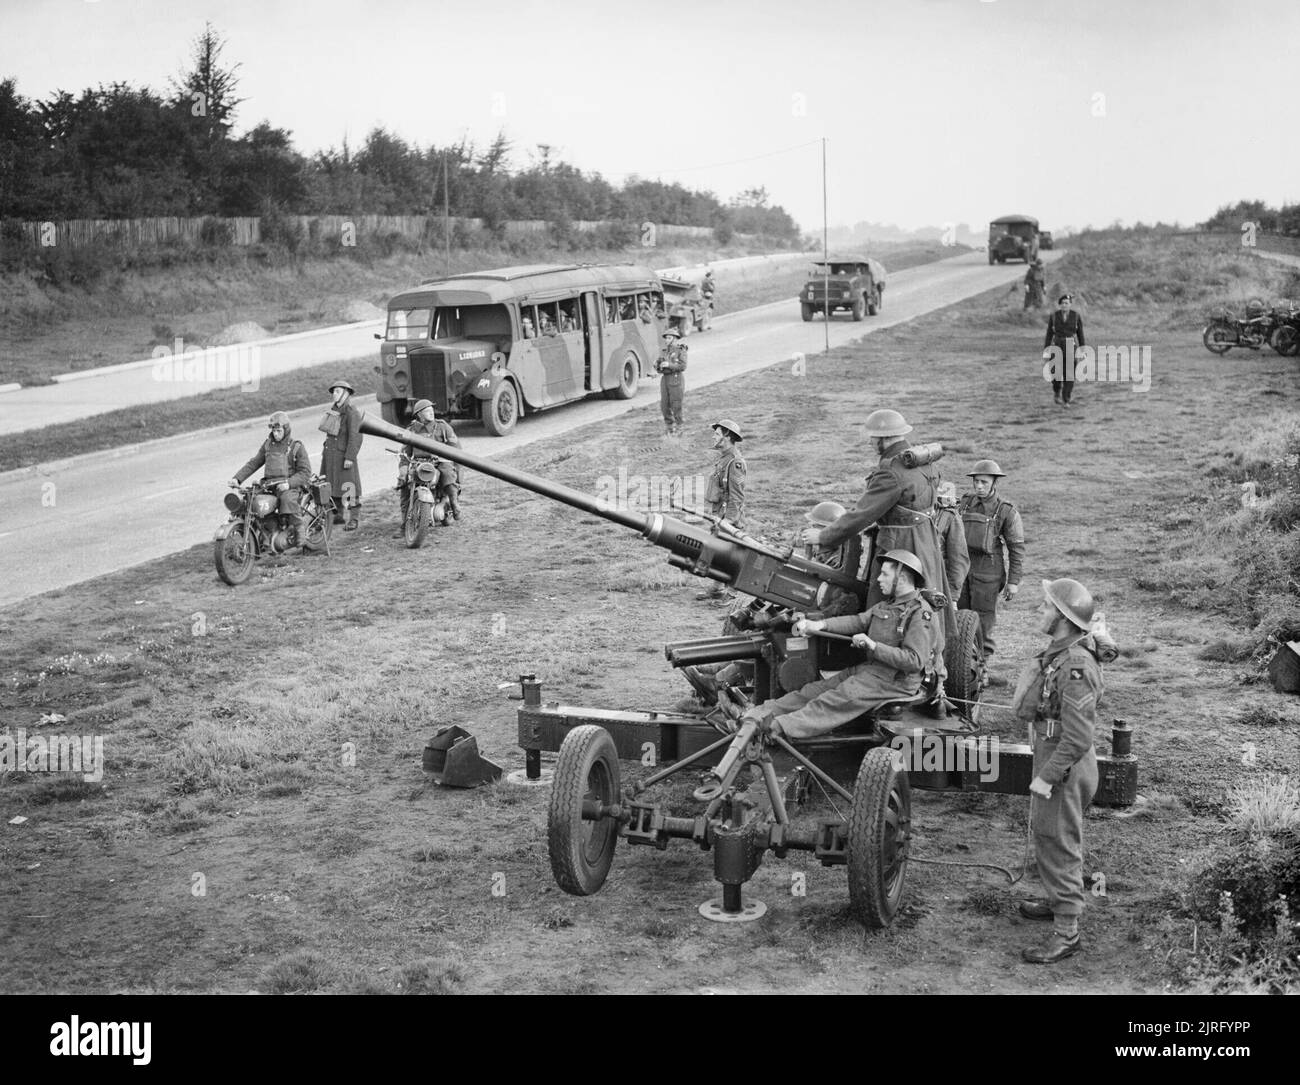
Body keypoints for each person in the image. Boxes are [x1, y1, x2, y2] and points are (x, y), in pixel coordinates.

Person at [738, 550, 936, 739]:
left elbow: (915, 661)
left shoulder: (920, 614)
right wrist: (819, 624)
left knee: (831, 701)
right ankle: (757, 714)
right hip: (871, 671)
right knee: (812, 692)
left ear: (901, 578)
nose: (878, 579)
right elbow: (858, 621)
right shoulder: (887, 605)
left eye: (884, 574)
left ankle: (773, 728)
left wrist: (873, 646)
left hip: (894, 681)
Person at [800, 408, 950, 654]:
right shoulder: (922, 461)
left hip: (899, 544)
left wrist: (824, 536)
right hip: (925, 541)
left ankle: (881, 658)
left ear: (886, 437)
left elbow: (862, 514)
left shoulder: (891, 470)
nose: (870, 442)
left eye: (874, 437)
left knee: (884, 602)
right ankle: (927, 655)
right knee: (925, 600)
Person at [1011, 577, 1106, 964]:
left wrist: (1047, 776)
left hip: (1065, 765)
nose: (1041, 611)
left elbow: (1078, 738)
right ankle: (1057, 901)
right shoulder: (1059, 655)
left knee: (1059, 842)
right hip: (1054, 754)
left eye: (1047, 607)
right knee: (1049, 836)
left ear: (1064, 617)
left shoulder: (1077, 665)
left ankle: (1067, 933)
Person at [956, 459, 1025, 660]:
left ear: (995, 482)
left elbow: (1017, 548)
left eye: (984, 482)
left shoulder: (1006, 511)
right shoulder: (965, 502)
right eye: (976, 481)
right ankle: (960, 664)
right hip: (962, 570)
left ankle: (982, 666)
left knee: (983, 622)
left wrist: (1013, 582)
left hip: (988, 573)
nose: (979, 486)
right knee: (959, 618)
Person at [229, 411, 313, 548]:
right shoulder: (268, 445)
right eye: (273, 430)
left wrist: (288, 484)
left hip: (289, 486)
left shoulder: (296, 446)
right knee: (254, 503)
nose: (275, 434)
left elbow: (305, 472)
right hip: (269, 485)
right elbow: (254, 462)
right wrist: (237, 479)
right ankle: (266, 535)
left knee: (287, 500)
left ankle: (299, 529)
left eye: (279, 430)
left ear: (286, 429)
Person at [396, 399, 462, 532]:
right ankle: (404, 524)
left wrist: (448, 458)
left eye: (432, 410)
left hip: (440, 462)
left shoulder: (443, 427)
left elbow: (456, 448)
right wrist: (403, 473)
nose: (431, 413)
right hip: (419, 464)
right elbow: (405, 454)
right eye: (427, 411)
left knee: (448, 473)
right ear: (419, 414)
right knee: (404, 485)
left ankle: (454, 503)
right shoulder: (411, 430)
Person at [321, 379, 364, 530]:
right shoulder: (333, 410)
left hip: (343, 456)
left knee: (349, 487)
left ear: (346, 394)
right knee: (332, 484)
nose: (334, 394)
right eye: (333, 391)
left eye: (338, 391)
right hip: (331, 456)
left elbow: (356, 436)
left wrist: (350, 457)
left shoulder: (352, 412)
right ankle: (338, 515)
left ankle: (354, 518)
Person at [1044, 294, 1085, 407]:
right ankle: (1057, 391)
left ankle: (1066, 399)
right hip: (1056, 345)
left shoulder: (1076, 316)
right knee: (1055, 373)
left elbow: (1080, 334)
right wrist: (1046, 350)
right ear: (1059, 305)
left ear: (1070, 304)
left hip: (1070, 346)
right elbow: (1049, 334)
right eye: (1062, 303)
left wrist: (1082, 349)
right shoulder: (1054, 316)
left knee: (1069, 374)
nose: (1064, 305)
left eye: (1066, 303)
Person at [706, 419, 747, 528]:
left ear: (727, 437)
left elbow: (737, 497)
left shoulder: (735, 462)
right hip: (719, 517)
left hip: (729, 524)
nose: (713, 437)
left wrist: (728, 522)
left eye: (717, 434)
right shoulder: (724, 459)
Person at [657, 329, 688, 436]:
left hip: (676, 379)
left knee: (676, 404)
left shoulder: (680, 350)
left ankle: (679, 426)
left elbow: (683, 366)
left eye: (669, 338)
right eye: (666, 338)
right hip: (665, 379)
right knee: (664, 405)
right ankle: (669, 427)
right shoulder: (664, 351)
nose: (666, 340)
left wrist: (669, 365)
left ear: (675, 339)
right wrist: (657, 366)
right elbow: (659, 365)